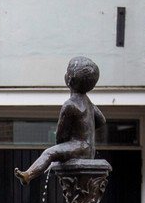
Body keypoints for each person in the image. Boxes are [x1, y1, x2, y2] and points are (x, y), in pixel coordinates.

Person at [15, 56, 106, 185]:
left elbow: (61, 135)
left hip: (78, 146)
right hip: (89, 149)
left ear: (68, 79)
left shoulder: (70, 105)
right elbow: (102, 120)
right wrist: (85, 130)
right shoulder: (89, 103)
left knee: (49, 152)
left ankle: (28, 175)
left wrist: (60, 150)